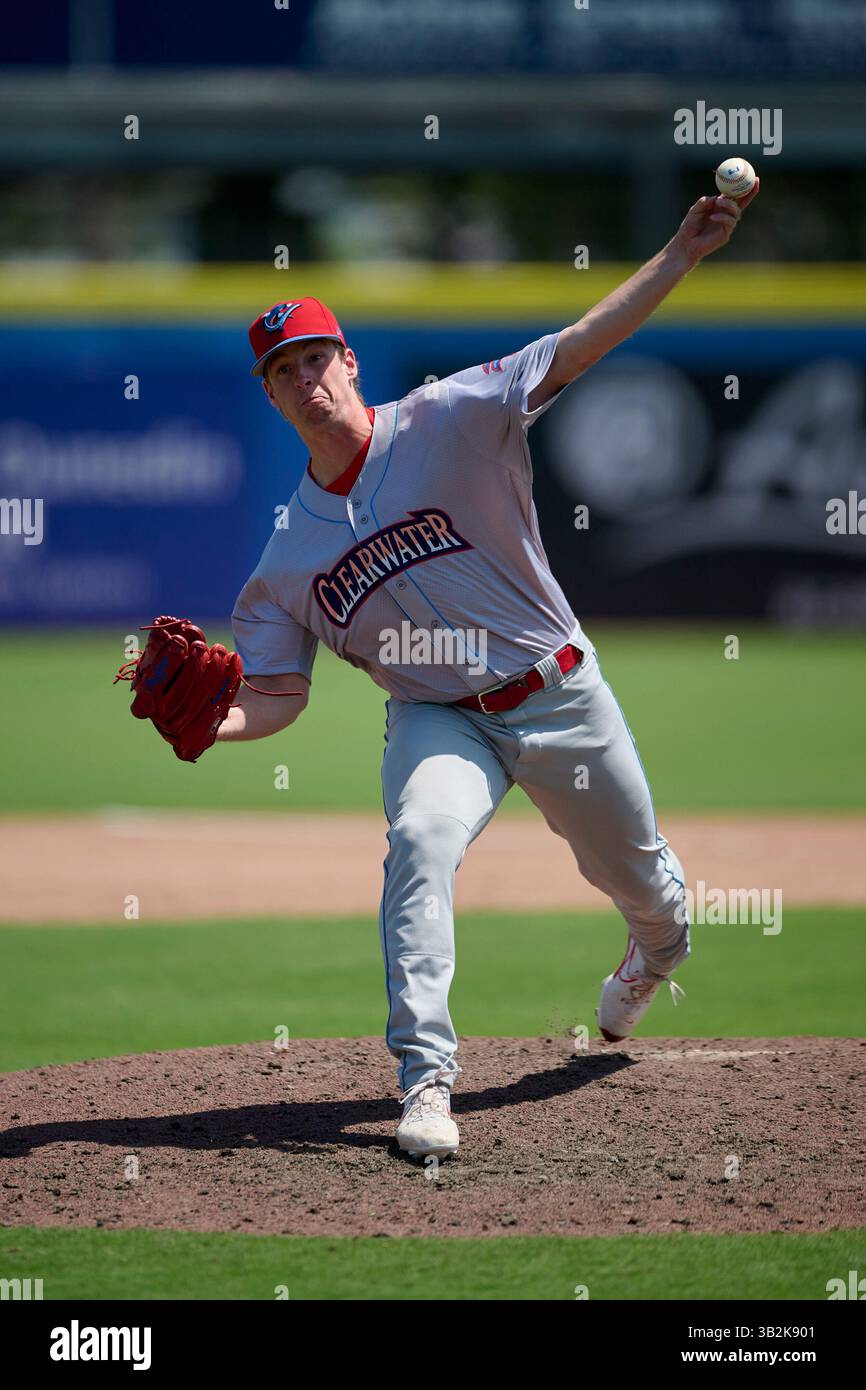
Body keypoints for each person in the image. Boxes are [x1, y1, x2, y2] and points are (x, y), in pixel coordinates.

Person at [218, 183, 759, 1159]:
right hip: (438, 720)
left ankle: (652, 955)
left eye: (315, 357)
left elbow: (582, 340)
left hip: (557, 693)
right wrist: (214, 725)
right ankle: (425, 1084)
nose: (305, 379)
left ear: (349, 363)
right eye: (281, 370)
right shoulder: (287, 556)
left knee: (648, 891)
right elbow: (275, 694)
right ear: (269, 393)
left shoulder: (451, 415)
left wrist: (680, 253)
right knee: (417, 844)